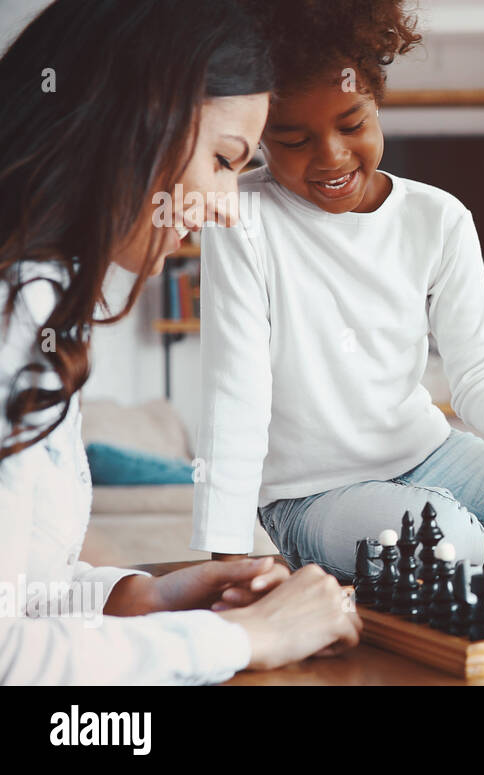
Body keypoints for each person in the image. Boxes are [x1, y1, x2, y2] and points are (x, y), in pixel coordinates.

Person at [190, 0, 484, 577]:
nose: (331, 156)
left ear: (377, 101)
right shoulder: (242, 216)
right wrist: (226, 561)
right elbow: (233, 397)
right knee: (444, 544)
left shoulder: (439, 218)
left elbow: (478, 369)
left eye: (352, 124)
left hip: (435, 457)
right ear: (259, 132)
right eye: (292, 139)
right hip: (310, 497)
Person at [0, 0, 361, 685]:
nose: (228, 204)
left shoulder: (44, 301)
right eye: (225, 160)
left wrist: (146, 596)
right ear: (136, 119)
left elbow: (22, 592)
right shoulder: (18, 309)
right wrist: (241, 636)